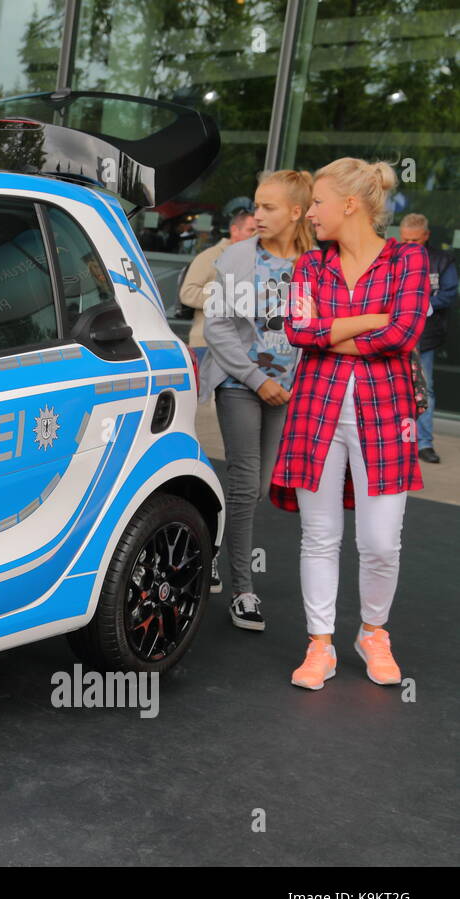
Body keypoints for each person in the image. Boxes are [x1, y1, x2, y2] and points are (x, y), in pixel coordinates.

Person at [274, 158, 429, 691]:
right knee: (319, 536)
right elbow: (298, 329)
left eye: (317, 202)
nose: (309, 213)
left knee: (382, 540)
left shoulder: (408, 257)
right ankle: (320, 644)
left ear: (350, 204)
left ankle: (373, 633)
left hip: (387, 415)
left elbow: (405, 333)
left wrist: (331, 332)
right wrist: (369, 320)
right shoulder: (309, 268)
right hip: (315, 411)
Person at [198, 170, 314, 631]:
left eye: (268, 208)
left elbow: (316, 332)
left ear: (297, 212)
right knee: (246, 485)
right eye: (255, 207)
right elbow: (217, 327)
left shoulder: (316, 264)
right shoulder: (237, 257)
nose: (256, 215)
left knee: (260, 487)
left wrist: (296, 381)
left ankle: (205, 547)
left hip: (287, 389)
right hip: (238, 383)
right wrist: (253, 377)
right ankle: (242, 589)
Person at [398, 212, 457, 463]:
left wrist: (420, 305)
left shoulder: (442, 260)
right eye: (406, 240)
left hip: (426, 336)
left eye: (416, 241)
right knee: (396, 390)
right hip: (396, 333)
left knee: (425, 391)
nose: (410, 246)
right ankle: (401, 442)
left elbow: (450, 293)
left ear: (426, 236)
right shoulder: (393, 257)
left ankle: (423, 444)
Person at [180, 208, 257, 361]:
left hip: (240, 346)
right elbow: (187, 293)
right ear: (234, 230)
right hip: (206, 344)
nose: (255, 235)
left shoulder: (257, 258)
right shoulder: (211, 256)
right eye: (251, 230)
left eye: (258, 230)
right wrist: (226, 299)